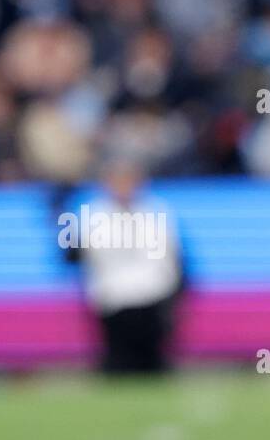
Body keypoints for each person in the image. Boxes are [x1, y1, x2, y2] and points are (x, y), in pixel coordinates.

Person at [69, 160, 185, 374]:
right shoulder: (92, 216)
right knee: (119, 362)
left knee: (152, 363)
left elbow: (174, 257)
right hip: (113, 299)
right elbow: (73, 256)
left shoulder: (155, 212)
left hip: (152, 297)